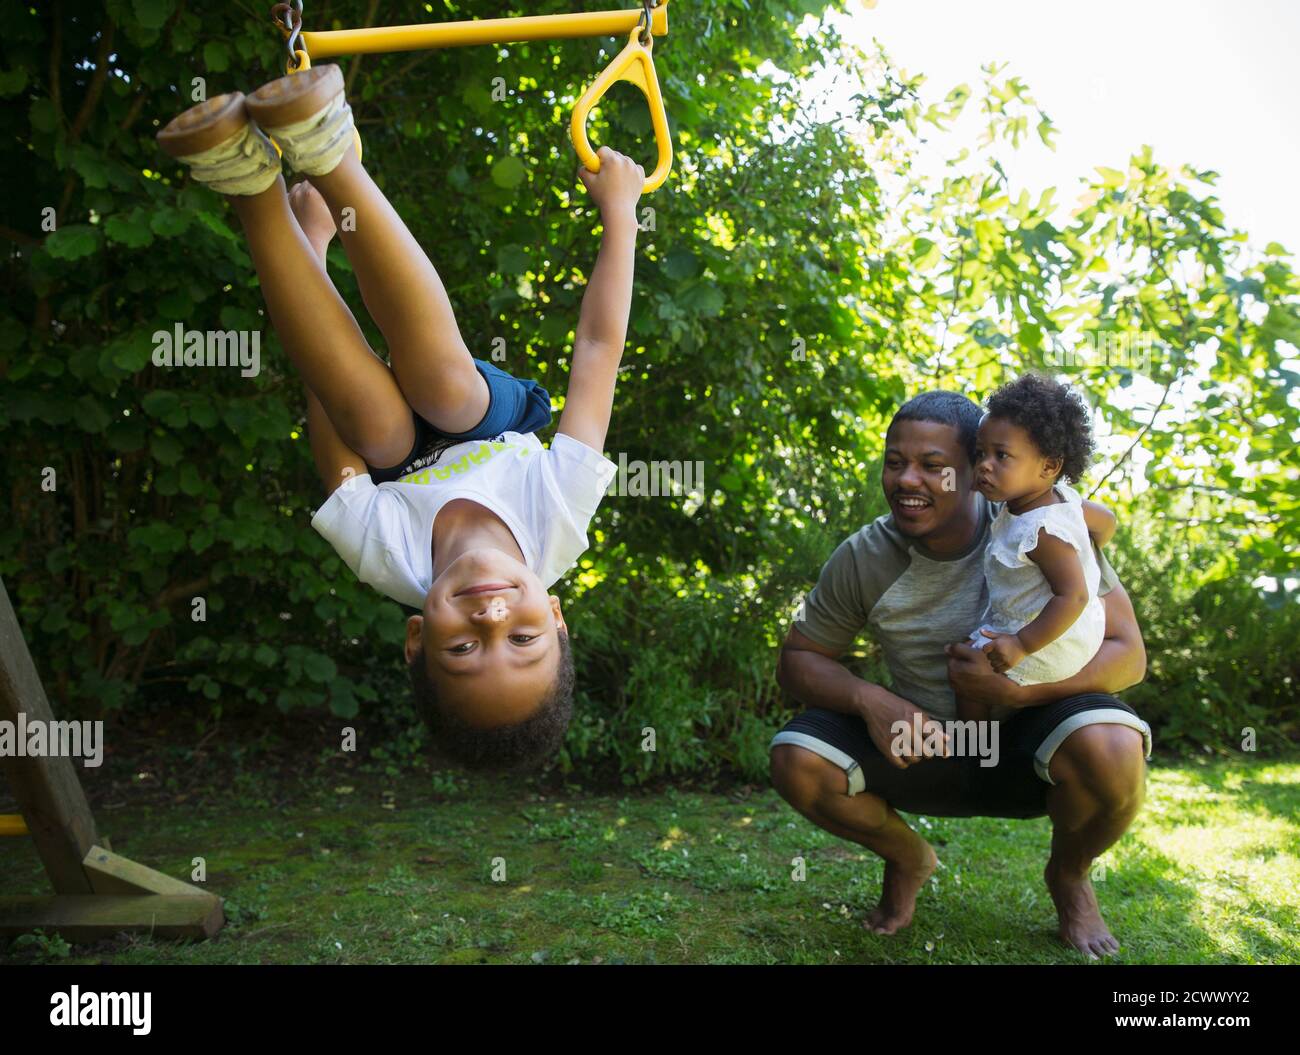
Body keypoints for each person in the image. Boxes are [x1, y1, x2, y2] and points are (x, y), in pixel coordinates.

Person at [157, 65, 643, 770]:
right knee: (447, 391)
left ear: (417, 638)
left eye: (463, 647)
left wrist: (312, 247)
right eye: (523, 639)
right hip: (484, 413)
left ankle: (250, 186)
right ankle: (332, 156)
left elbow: (327, 396)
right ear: (558, 618)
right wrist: (621, 217)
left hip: (387, 440)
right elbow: (598, 351)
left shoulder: (387, 557)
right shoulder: (561, 518)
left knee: (376, 430)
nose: (492, 617)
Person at [769, 390, 1152, 959]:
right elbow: (797, 660)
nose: (907, 480)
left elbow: (1128, 654)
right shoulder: (862, 557)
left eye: (933, 467)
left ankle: (1069, 877)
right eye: (895, 462)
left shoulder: (1042, 527)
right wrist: (874, 701)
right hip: (927, 746)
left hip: (1029, 742)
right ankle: (908, 859)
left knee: (1113, 746)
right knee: (797, 758)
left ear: (976, 470)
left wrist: (1019, 691)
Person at [959, 374, 1117, 722]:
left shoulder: (1042, 531)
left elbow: (1072, 596)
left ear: (1049, 466)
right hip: (1054, 630)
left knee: (964, 669)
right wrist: (1090, 544)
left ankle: (972, 751)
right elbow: (1107, 520)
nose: (984, 464)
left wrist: (1021, 645)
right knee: (967, 657)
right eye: (980, 453)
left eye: (1002, 455)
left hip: (1050, 641)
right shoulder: (1058, 503)